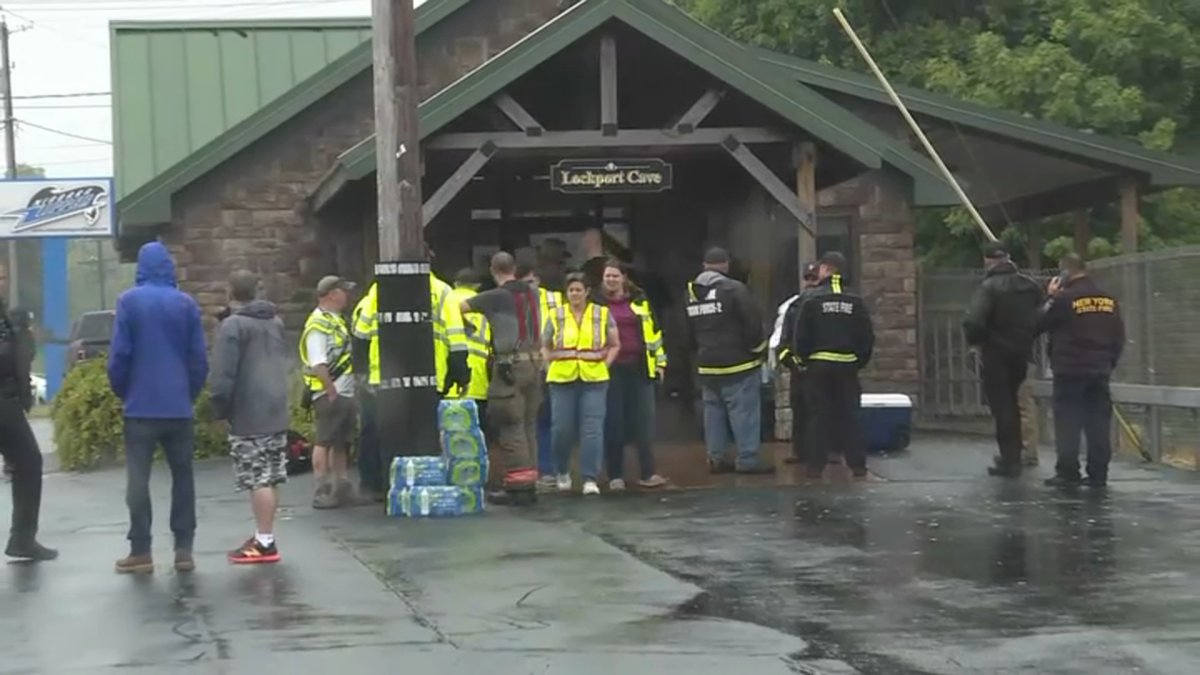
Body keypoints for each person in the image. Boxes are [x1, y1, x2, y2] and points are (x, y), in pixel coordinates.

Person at [108, 241, 208, 574]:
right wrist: (189, 393)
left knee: (138, 480)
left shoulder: (129, 302)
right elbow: (198, 359)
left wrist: (124, 391)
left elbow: (120, 356)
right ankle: (183, 549)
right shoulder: (186, 304)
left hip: (140, 407)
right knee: (183, 478)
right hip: (178, 406)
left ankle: (141, 550)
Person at [209, 270, 290, 564]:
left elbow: (223, 373)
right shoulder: (275, 321)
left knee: (257, 479)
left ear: (230, 292)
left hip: (248, 413)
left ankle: (265, 541)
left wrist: (219, 409)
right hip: (275, 409)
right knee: (270, 476)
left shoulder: (233, 327)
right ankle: (264, 534)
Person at [460, 252, 544, 504]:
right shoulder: (532, 294)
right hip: (534, 363)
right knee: (529, 424)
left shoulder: (495, 296)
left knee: (510, 424)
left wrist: (469, 327)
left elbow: (460, 307)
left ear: (493, 270)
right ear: (514, 268)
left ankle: (518, 488)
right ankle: (530, 483)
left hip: (510, 366)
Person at [1038, 254, 1125, 488]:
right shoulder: (1109, 299)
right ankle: (1098, 473)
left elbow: (1038, 323)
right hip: (1100, 369)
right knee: (1098, 423)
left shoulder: (1065, 299)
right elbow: (1119, 337)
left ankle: (1068, 472)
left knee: (1069, 422)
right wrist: (1108, 362)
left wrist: (1050, 296)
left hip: (1070, 369)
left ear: (1064, 273)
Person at [685, 247, 772, 474]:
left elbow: (687, 331)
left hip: (707, 364)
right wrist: (757, 349)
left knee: (713, 412)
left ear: (704, 266)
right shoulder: (734, 289)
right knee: (743, 412)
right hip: (738, 364)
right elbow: (752, 323)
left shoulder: (691, 293)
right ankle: (747, 460)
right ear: (725, 266)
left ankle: (716, 458)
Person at [962, 242, 1044, 477]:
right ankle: (1018, 453)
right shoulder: (1030, 286)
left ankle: (1010, 459)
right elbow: (1042, 315)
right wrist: (1028, 336)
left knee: (1003, 406)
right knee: (1019, 404)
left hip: (996, 352)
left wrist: (977, 342)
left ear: (987, 261)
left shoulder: (988, 287)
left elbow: (973, 321)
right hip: (1022, 352)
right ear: (1008, 259)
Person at [790, 252, 874, 479]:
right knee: (850, 416)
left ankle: (815, 467)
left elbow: (801, 337)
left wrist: (804, 362)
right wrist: (858, 361)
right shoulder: (855, 301)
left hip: (818, 368)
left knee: (818, 417)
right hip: (847, 368)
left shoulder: (811, 299)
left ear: (826, 269)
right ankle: (857, 465)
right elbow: (867, 337)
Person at [542, 273, 620, 495]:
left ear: (587, 291)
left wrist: (605, 365)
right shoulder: (555, 315)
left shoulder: (602, 314)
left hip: (594, 379)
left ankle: (589, 478)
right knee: (561, 428)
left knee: (592, 430)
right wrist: (548, 366)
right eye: (571, 290)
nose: (574, 294)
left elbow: (615, 344)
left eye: (578, 290)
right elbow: (545, 344)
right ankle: (562, 471)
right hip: (561, 379)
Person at [594, 260, 668, 490]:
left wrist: (660, 363)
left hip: (640, 368)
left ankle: (648, 473)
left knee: (644, 422)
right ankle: (615, 475)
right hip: (609, 369)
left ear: (624, 278)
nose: (611, 280)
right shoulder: (595, 304)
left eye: (615, 276)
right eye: (607, 276)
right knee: (613, 422)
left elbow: (654, 333)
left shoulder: (640, 301)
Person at [0, 263, 56, 561]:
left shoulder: (7, 318)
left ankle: (23, 538)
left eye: (4, 277)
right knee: (28, 461)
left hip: (8, 401)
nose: (3, 283)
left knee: (28, 462)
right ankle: (22, 538)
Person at [300, 275, 357, 510]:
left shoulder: (336, 320)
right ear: (332, 294)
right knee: (324, 441)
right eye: (343, 291)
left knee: (341, 442)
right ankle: (321, 490)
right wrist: (330, 390)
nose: (347, 295)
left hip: (343, 391)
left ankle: (341, 488)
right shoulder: (318, 324)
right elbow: (318, 362)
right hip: (330, 393)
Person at [771, 262, 819, 465]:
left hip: (822, 367)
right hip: (800, 369)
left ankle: (826, 452)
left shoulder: (827, 303)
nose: (810, 283)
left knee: (823, 410)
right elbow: (783, 340)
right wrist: (791, 362)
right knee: (799, 409)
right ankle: (800, 452)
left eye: (813, 278)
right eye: (807, 278)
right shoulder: (793, 306)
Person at [350, 281, 384, 501]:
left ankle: (373, 482)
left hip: (374, 378)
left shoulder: (366, 303)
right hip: (373, 380)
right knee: (371, 432)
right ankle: (370, 482)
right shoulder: (368, 304)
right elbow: (360, 341)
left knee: (373, 431)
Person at [447, 267, 491, 418]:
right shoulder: (485, 305)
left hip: (448, 378)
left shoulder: (446, 300)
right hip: (478, 378)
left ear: (455, 284)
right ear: (477, 285)